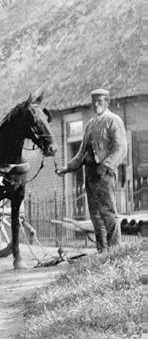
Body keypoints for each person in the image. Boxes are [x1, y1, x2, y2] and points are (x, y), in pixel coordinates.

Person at [56, 88, 128, 251]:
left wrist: (106, 166)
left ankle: (115, 251)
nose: (96, 105)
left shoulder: (113, 120)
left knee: (108, 213)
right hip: (90, 174)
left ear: (107, 102)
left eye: (100, 102)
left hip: (104, 174)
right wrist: (67, 168)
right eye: (94, 102)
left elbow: (121, 148)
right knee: (95, 215)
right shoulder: (90, 124)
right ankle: (102, 251)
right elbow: (82, 152)